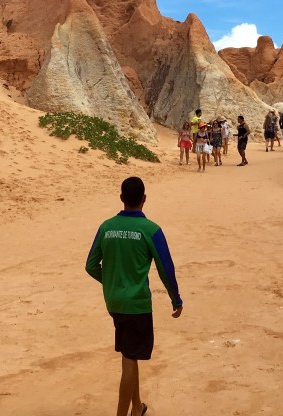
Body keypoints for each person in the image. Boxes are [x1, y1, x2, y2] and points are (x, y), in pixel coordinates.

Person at [86, 177, 183, 416]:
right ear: (144, 199)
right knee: (129, 358)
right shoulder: (151, 229)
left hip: (114, 302)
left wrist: (111, 282)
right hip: (136, 304)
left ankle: (137, 406)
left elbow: (90, 265)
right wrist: (176, 299)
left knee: (131, 351)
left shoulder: (106, 227)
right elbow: (165, 268)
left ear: (121, 198)